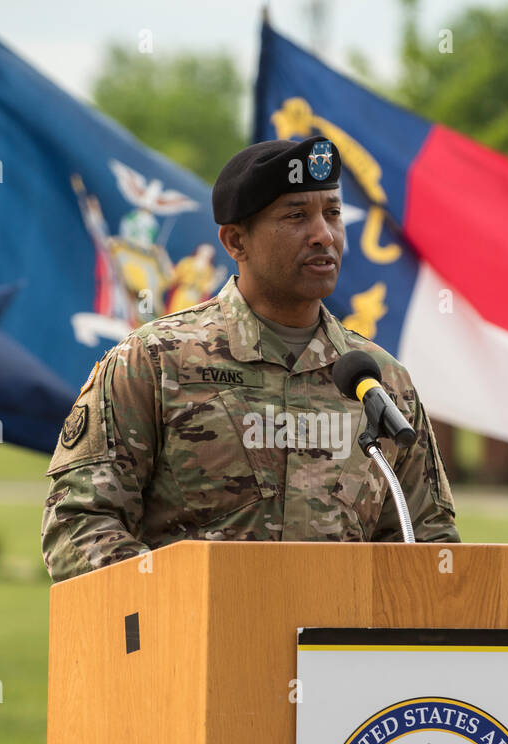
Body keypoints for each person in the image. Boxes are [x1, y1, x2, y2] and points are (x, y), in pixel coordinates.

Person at [41, 136, 458, 582]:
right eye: (297, 216)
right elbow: (78, 525)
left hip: (336, 649)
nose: (324, 234)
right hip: (194, 644)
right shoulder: (154, 362)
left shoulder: (379, 380)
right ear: (236, 240)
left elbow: (427, 542)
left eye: (332, 213)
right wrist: (175, 608)